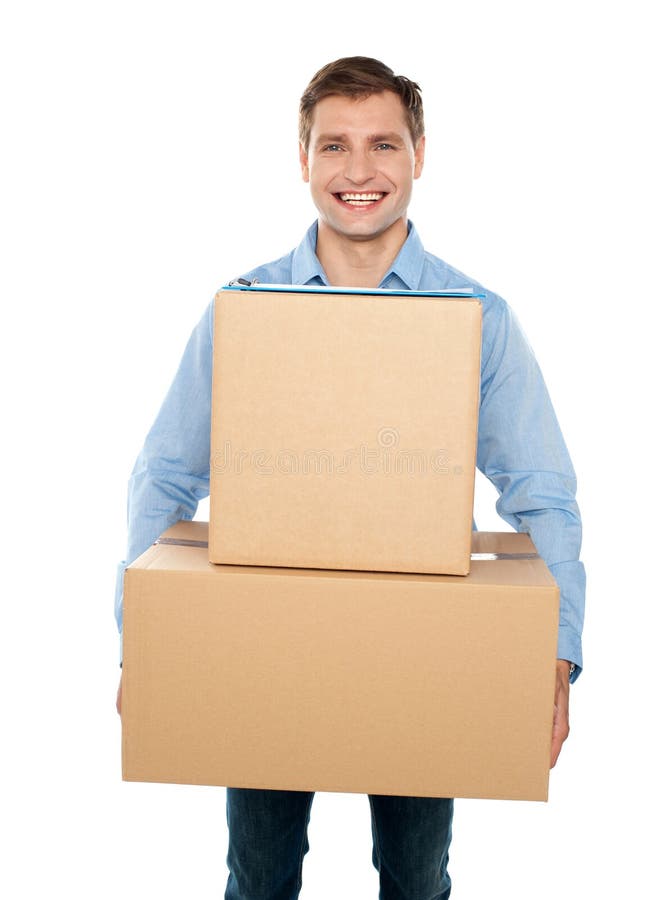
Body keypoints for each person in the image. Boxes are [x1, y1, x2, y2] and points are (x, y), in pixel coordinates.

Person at [116, 56, 585, 900]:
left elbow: (542, 491)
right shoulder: (244, 307)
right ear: (303, 158)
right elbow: (165, 474)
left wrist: (555, 651)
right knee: (258, 880)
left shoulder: (477, 317)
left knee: (414, 879)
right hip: (262, 635)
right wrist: (142, 631)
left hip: (424, 643)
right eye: (334, 145)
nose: (359, 171)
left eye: (383, 145)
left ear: (419, 155)